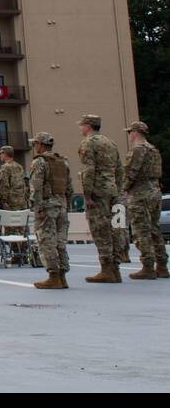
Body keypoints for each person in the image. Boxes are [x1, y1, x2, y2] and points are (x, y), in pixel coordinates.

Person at [77, 113, 124, 283]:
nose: (80, 128)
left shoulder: (88, 143)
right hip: (112, 190)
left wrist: (87, 194)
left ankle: (106, 269)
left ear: (88, 126)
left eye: (81, 125)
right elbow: (119, 169)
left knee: (100, 229)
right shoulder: (110, 143)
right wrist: (117, 188)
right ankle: (115, 268)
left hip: (98, 192)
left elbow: (89, 170)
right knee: (114, 229)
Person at [122, 121, 166, 279]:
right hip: (154, 190)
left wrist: (125, 189)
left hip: (141, 193)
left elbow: (132, 172)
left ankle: (147, 266)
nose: (129, 135)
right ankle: (162, 265)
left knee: (141, 230)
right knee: (154, 230)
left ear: (134, 133)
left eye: (129, 132)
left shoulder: (138, 150)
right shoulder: (153, 150)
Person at [28, 133, 72, 289]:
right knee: (60, 242)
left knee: (47, 241)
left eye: (35, 144)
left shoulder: (40, 162)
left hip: (47, 207)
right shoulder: (63, 162)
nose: (35, 147)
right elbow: (69, 188)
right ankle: (62, 276)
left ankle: (53, 275)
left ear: (40, 144)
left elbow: (36, 187)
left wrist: (37, 207)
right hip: (62, 205)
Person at [0, 146, 27, 211]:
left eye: (1, 153)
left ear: (5, 154)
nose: (0, 155)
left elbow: (4, 185)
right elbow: (24, 183)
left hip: (11, 202)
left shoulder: (4, 167)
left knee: (11, 220)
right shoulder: (19, 166)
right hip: (22, 200)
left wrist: (4, 201)